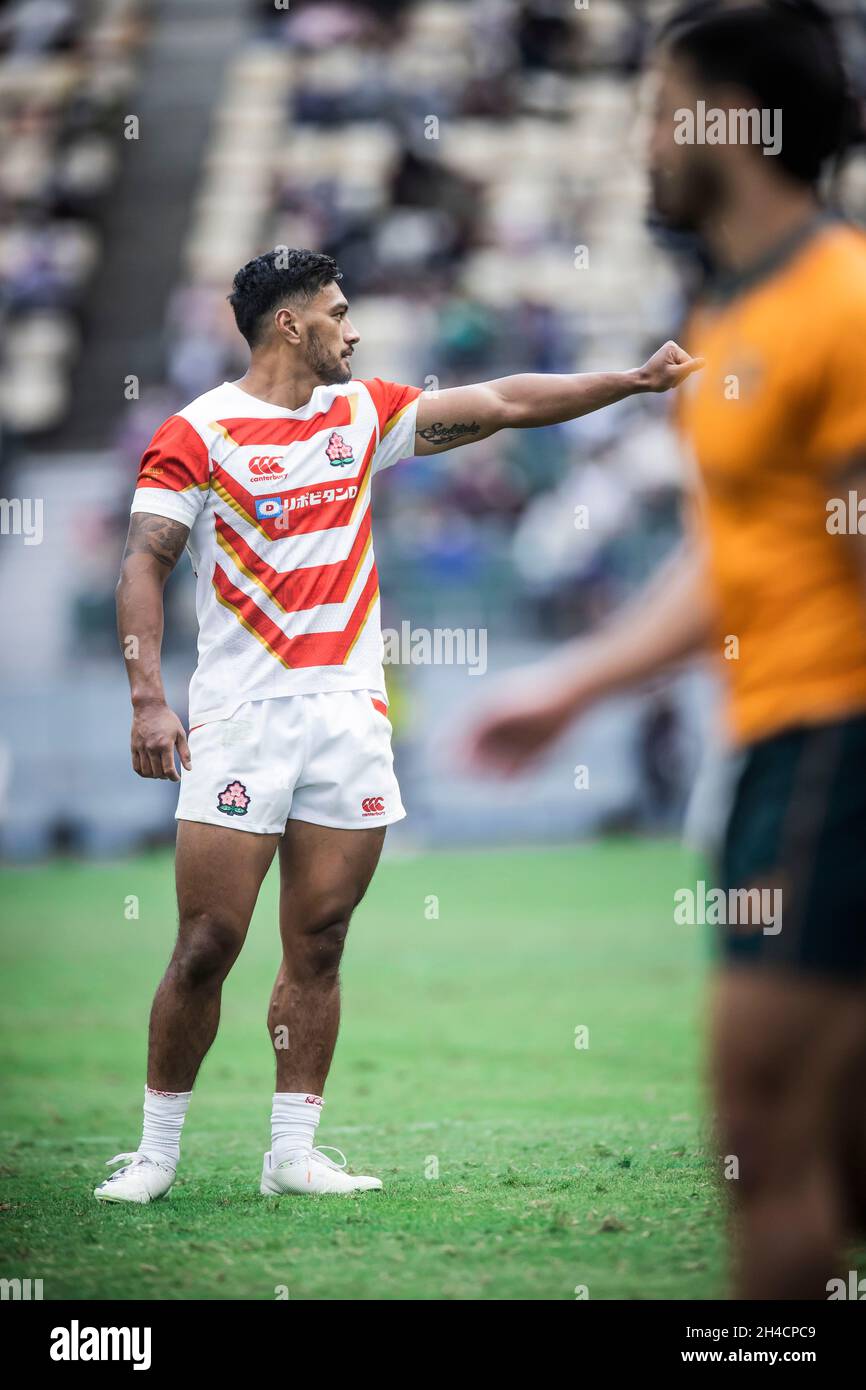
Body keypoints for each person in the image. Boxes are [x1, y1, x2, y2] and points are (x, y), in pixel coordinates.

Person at [96, 246, 699, 1202]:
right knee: (208, 942)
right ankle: (156, 1154)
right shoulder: (196, 434)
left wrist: (627, 383)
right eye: (338, 311)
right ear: (290, 324)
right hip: (241, 719)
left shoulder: (363, 413)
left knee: (322, 940)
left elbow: (500, 402)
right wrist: (147, 697)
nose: (356, 327)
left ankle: (291, 1156)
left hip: (348, 717)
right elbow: (141, 565)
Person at [468, 0, 866, 1299]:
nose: (644, 139)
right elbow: (737, 564)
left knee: (760, 1129)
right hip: (779, 748)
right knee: (837, 1156)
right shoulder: (723, 311)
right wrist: (570, 690)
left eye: (659, 108)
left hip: (833, 748)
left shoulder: (840, 302)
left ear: (727, 122)